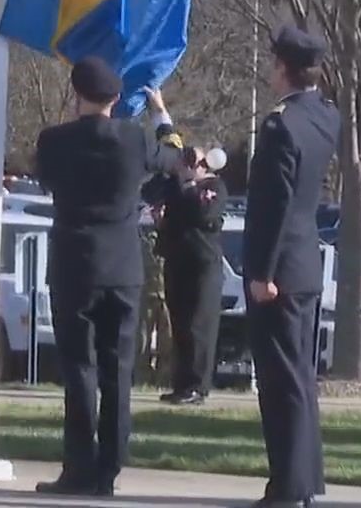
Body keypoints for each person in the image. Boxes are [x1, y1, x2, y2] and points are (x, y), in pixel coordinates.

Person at [32, 57, 155, 498]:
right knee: (117, 370)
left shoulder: (54, 141)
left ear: (76, 94)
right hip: (122, 268)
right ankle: (110, 467)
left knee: (79, 368)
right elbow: (169, 154)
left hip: (74, 265)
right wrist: (162, 115)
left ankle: (79, 465)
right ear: (117, 98)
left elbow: (44, 179)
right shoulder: (133, 139)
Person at [242, 27, 339, 508]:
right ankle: (303, 480)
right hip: (306, 262)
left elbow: (273, 205)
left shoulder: (281, 125)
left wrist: (262, 270)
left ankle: (288, 485)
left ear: (283, 68)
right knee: (299, 378)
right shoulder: (325, 117)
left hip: (280, 268)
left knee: (281, 383)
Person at [145, 86, 227, 406]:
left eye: (195, 159)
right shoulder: (176, 187)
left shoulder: (213, 187)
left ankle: (198, 386)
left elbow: (204, 212)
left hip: (203, 265)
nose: (189, 162)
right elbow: (166, 206)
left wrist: (189, 181)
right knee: (179, 325)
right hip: (177, 261)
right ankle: (181, 384)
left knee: (199, 327)